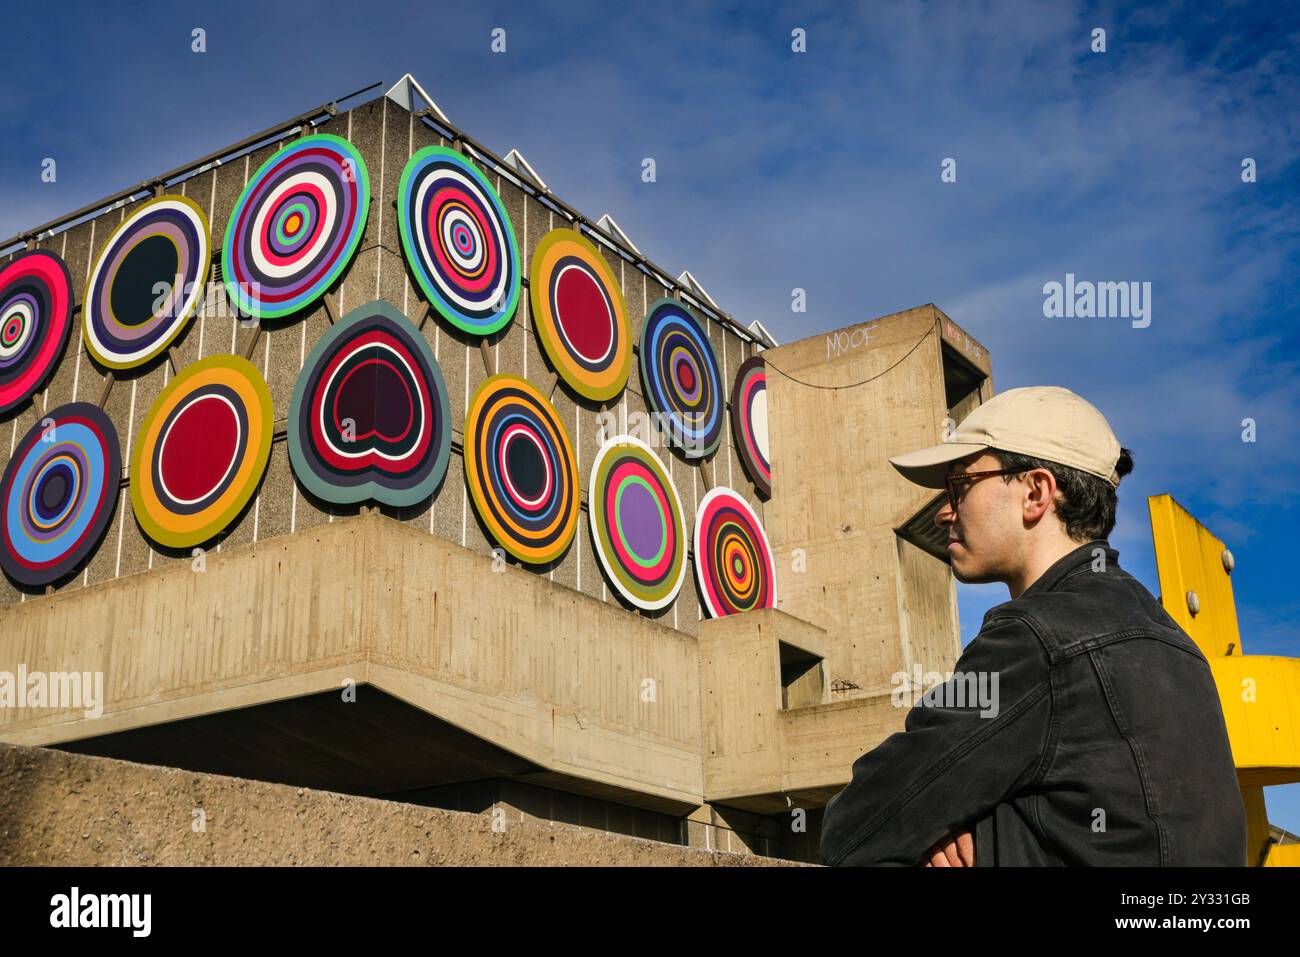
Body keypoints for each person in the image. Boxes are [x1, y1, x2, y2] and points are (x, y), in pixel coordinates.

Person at [818, 386, 1247, 866]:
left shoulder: (1035, 638)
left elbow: (856, 825)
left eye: (960, 486)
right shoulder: (1177, 643)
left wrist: (969, 828)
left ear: (1036, 493)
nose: (943, 511)